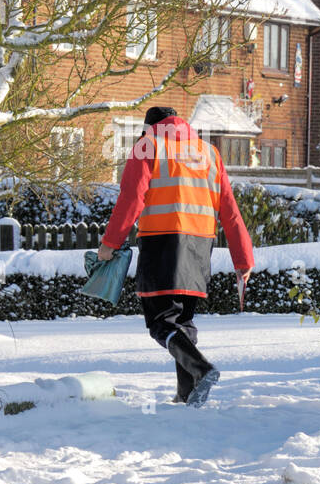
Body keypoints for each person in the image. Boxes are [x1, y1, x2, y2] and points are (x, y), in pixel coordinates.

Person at [98, 106, 255, 407]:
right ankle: (187, 394)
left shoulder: (148, 146)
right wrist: (243, 260)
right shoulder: (209, 153)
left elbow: (131, 199)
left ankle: (201, 369)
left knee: (161, 321)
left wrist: (110, 243)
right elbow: (231, 211)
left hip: (162, 243)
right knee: (182, 320)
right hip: (200, 248)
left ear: (149, 128)